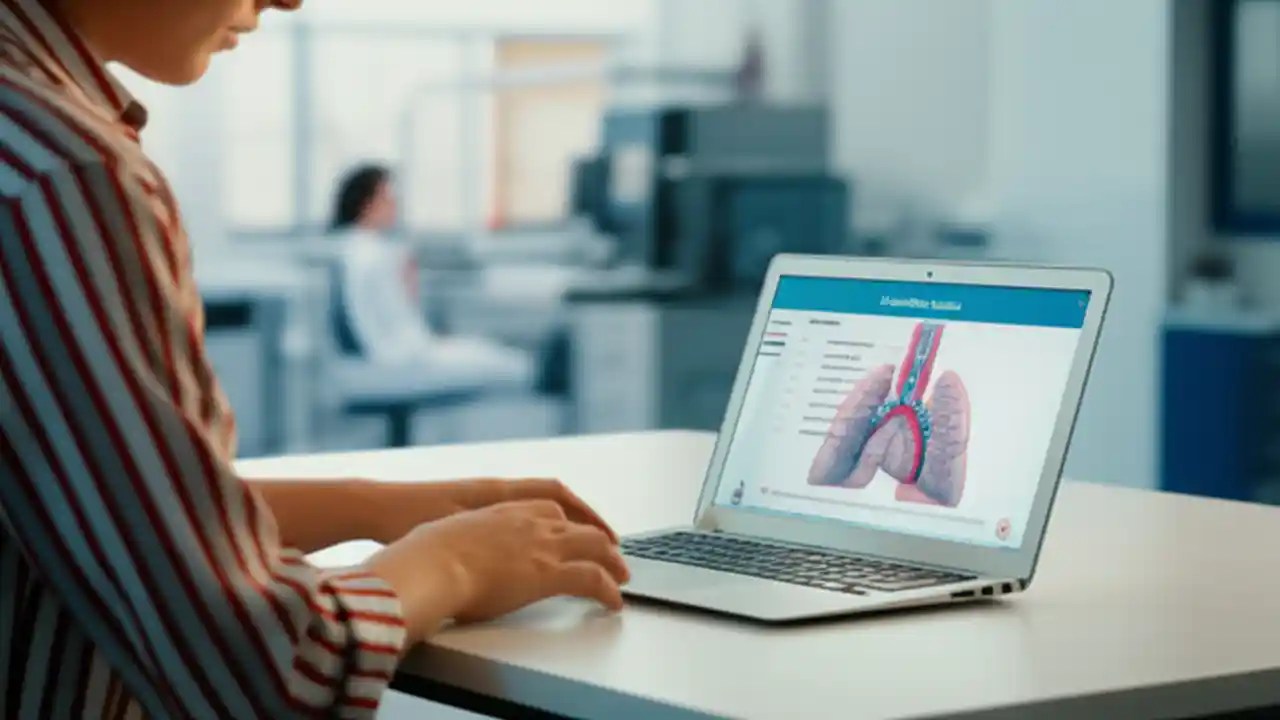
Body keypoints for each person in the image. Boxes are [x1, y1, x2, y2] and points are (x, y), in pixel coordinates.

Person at [0, 1, 627, 718]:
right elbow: (262, 673)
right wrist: (453, 563)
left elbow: (81, 507)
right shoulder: (66, 176)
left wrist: (375, 506)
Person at [327, 163, 535, 386]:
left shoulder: (356, 250)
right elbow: (397, 324)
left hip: (397, 350)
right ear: (366, 205)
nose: (396, 205)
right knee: (508, 363)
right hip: (399, 356)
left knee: (482, 352)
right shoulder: (372, 256)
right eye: (388, 198)